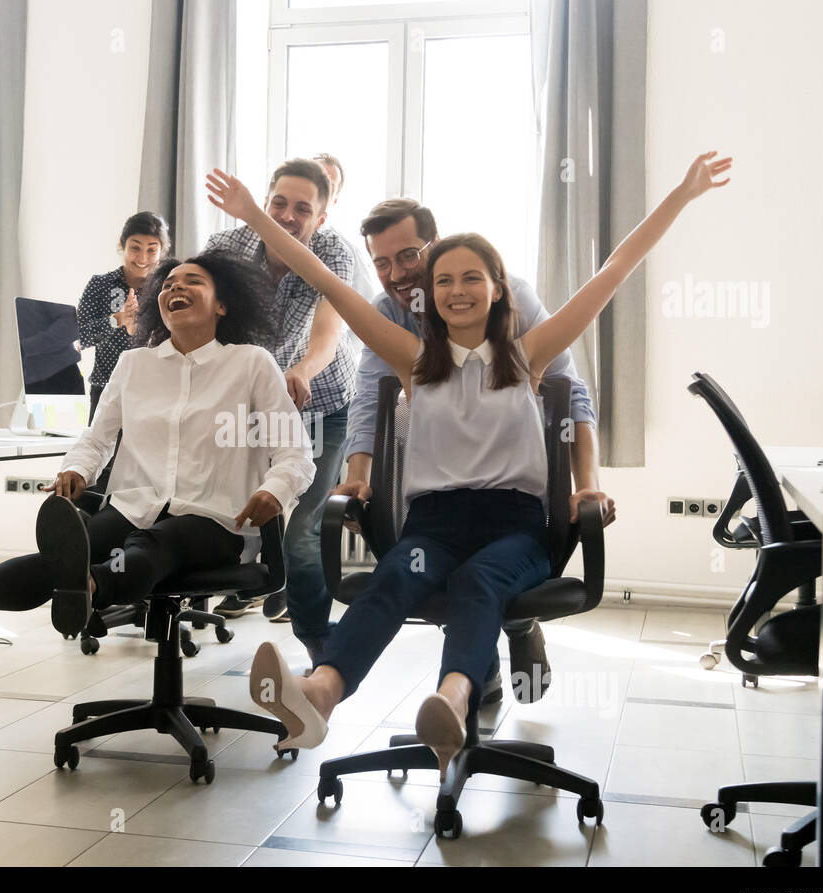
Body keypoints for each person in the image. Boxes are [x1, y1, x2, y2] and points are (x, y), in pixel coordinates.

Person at [207, 151, 731, 770]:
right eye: (445, 281)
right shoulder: (410, 359)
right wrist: (249, 214)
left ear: (497, 287)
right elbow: (321, 275)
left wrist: (684, 192)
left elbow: (617, 268)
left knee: (478, 584)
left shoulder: (529, 353)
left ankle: (452, 703)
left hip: (514, 528)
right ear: (430, 295)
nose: (456, 290)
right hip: (434, 526)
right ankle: (320, 696)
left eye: (471, 278)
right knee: (392, 580)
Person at [0, 252, 315, 641]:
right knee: (83, 545)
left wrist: (273, 491)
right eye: (169, 283)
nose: (178, 287)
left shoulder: (251, 364)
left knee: (151, 544)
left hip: (217, 520)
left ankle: (88, 585)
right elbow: (96, 438)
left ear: (222, 305)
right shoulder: (133, 365)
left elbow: (294, 452)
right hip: (135, 505)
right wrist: (77, 471)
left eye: (193, 281)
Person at [338, 197, 614, 705]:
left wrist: (585, 485)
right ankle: (338, 691)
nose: (396, 273)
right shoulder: (396, 333)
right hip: (435, 506)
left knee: (482, 577)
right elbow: (368, 409)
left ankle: (499, 646)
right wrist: (358, 475)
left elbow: (570, 392)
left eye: (407, 257)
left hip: (516, 499)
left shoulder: (516, 313)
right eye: (381, 262)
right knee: (412, 570)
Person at [202, 159, 355, 657]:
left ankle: (322, 655)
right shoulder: (226, 249)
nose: (289, 216)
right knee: (227, 514)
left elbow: (330, 327)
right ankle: (246, 591)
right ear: (265, 202)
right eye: (279, 204)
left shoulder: (334, 250)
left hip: (322, 403)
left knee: (302, 535)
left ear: (322, 218)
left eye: (303, 209)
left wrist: (303, 370)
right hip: (250, 407)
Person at [76, 212, 170, 422]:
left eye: (151, 250)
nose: (143, 258)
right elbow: (78, 338)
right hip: (105, 391)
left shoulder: (166, 290)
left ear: (161, 252)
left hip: (154, 394)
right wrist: (116, 320)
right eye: (135, 247)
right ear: (122, 245)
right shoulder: (100, 285)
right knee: (98, 454)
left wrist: (141, 332)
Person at [311, 152, 380, 305]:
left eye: (327, 185)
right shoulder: (258, 236)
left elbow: (365, 311)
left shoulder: (346, 253)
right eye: (312, 178)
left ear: (334, 199)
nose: (316, 188)